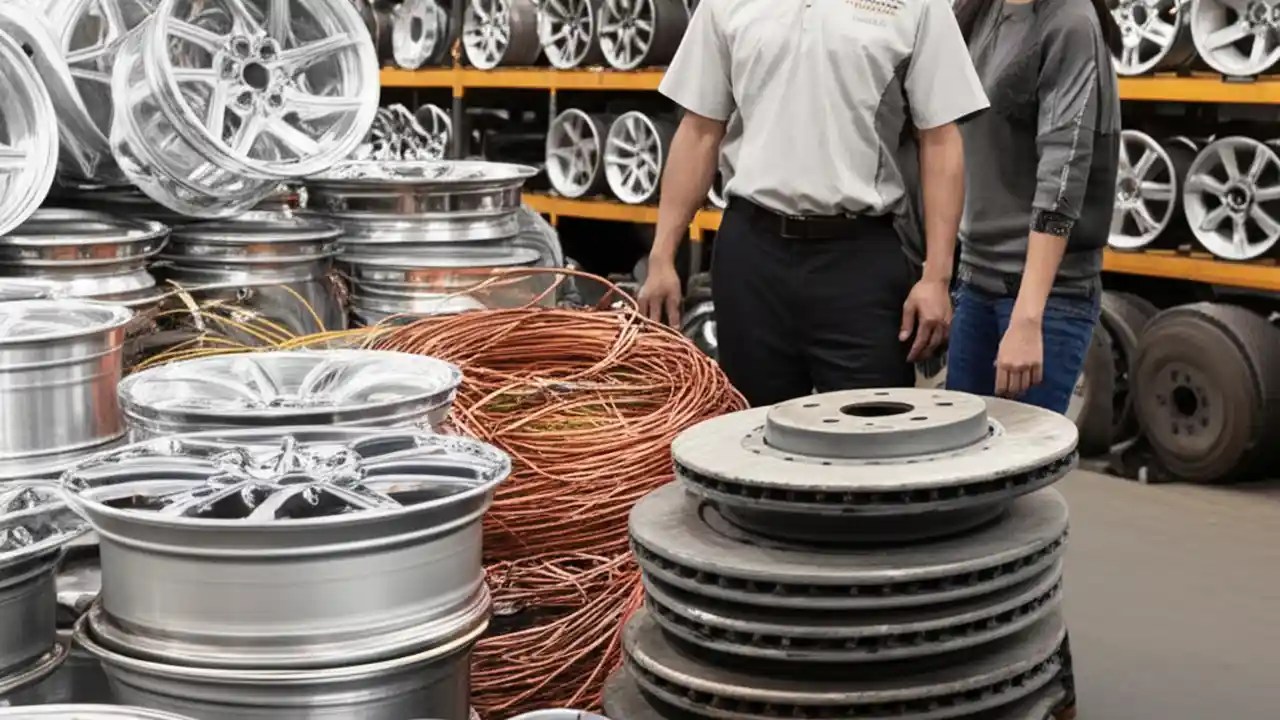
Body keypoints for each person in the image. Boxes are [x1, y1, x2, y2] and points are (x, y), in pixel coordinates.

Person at [637, 0, 990, 407]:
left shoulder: (918, 5)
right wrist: (662, 256)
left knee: (873, 428)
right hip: (751, 256)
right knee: (750, 427)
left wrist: (937, 277)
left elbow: (940, 139)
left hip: (859, 259)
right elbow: (700, 128)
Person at [945, 0, 1122, 414]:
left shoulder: (1070, 21)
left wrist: (1028, 317)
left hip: (1044, 296)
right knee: (962, 450)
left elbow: (1063, 171)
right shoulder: (978, 10)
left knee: (1020, 452)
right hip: (976, 281)